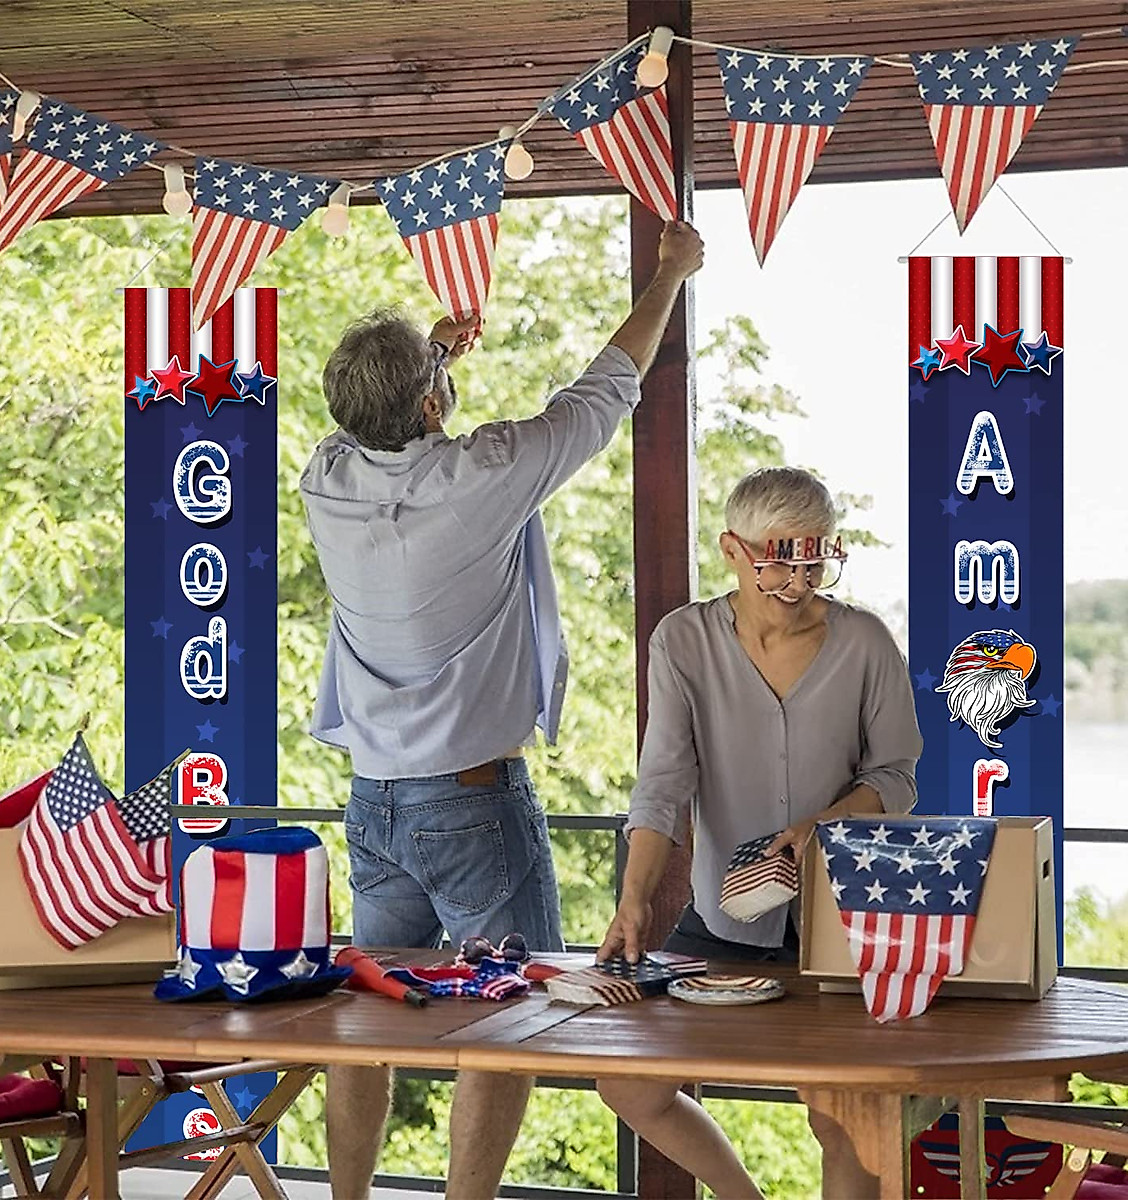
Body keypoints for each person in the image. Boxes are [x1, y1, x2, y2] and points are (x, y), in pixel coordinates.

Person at [300, 221, 705, 1200]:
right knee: (509, 1020)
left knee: (366, 1025)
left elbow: (392, 420)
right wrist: (669, 275)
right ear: (434, 402)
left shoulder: (327, 478)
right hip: (475, 809)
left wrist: (434, 355)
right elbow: (607, 389)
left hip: (374, 806)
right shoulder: (486, 474)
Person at [595, 466, 923, 1200]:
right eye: (777, 562)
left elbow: (899, 777)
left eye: (813, 563)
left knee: (842, 1114)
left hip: (842, 925)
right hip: (722, 917)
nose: (797, 583)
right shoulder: (682, 642)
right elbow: (662, 786)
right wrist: (635, 898)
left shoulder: (867, 642)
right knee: (626, 1082)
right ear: (733, 550)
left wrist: (821, 824)